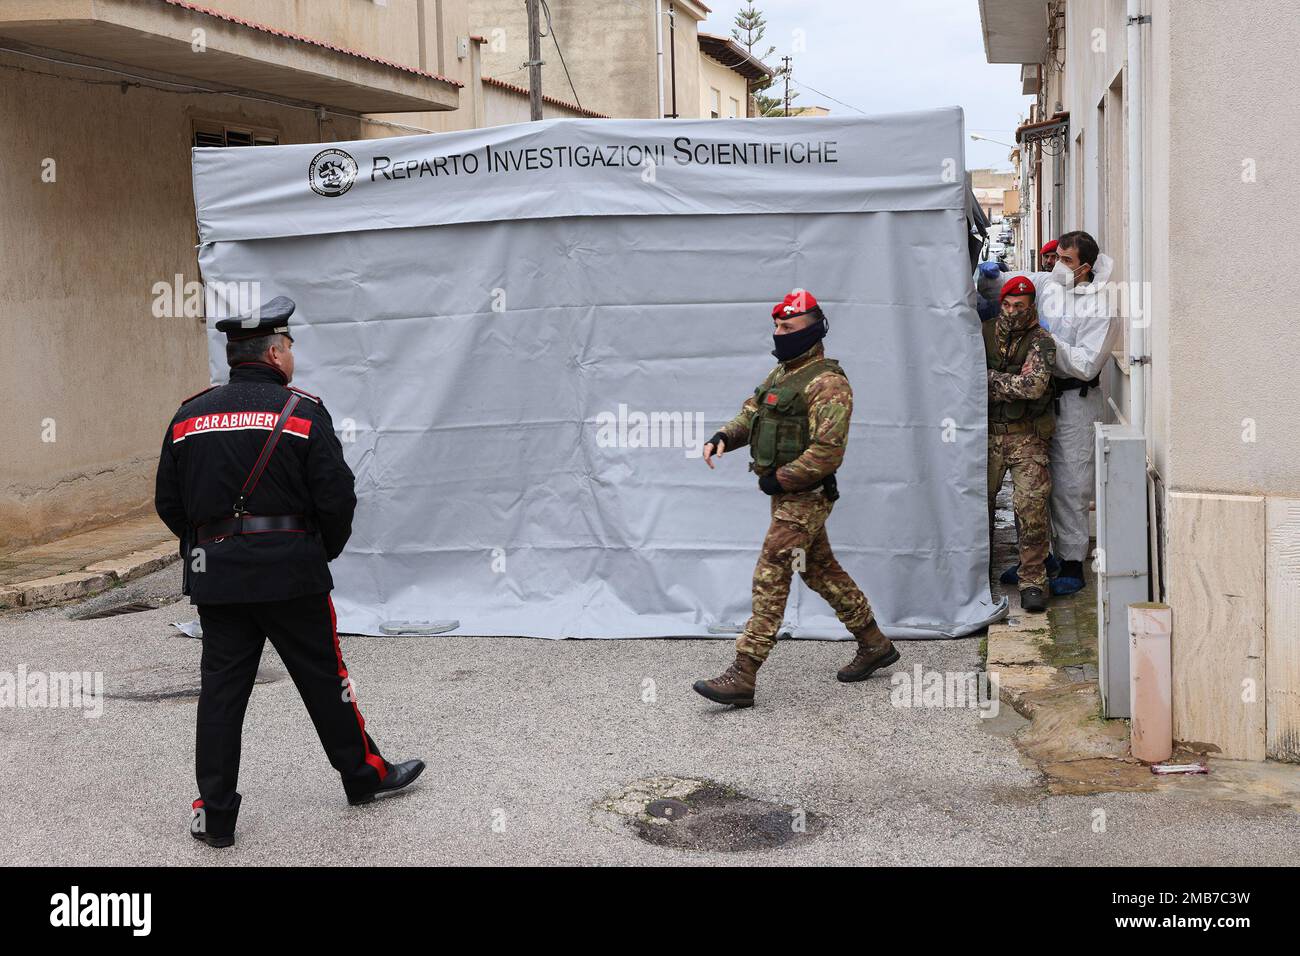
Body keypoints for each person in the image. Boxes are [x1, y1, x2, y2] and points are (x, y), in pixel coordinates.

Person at [154, 295, 424, 848]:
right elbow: (337, 497)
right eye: (290, 347)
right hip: (292, 575)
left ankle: (216, 818)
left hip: (220, 577)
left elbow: (169, 504)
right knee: (327, 682)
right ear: (276, 354)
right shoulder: (301, 412)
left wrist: (211, 546)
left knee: (222, 694)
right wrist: (316, 550)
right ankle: (362, 776)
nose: (292, 355)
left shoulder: (188, 416)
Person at [693, 290, 897, 708]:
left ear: (814, 329)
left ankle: (744, 672)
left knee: (773, 570)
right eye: (777, 326)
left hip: (807, 496)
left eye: (788, 327)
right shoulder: (784, 374)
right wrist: (723, 437)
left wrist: (780, 480)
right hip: (788, 496)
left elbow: (827, 451)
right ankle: (874, 643)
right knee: (818, 569)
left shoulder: (829, 384)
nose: (778, 333)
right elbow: (752, 414)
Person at [991, 230, 1118, 595]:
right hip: (1039, 401)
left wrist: (1046, 341)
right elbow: (1021, 282)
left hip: (1074, 402)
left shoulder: (1101, 307)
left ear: (1085, 267)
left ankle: (1073, 561)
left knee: (1069, 485)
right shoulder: (1052, 285)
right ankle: (1037, 558)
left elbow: (1087, 364)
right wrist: (989, 280)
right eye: (1057, 257)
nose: (1056, 265)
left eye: (1066, 260)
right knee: (1033, 485)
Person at [985, 277, 1056, 613]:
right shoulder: (982, 333)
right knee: (974, 508)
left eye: (1020, 307)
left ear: (1031, 307)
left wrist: (988, 380)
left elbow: (1033, 386)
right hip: (985, 434)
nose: (1012, 312)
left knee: (1031, 510)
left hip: (1026, 435)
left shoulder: (1041, 341)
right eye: (1008, 305)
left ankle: (1032, 580)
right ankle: (976, 577)